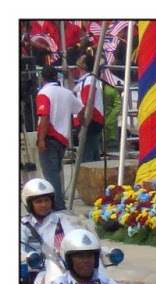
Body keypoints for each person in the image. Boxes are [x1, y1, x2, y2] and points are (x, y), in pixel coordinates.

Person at [34, 66, 81, 210]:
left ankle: (57, 205)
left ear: (42, 78)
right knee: (56, 172)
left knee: (51, 175)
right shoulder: (67, 93)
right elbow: (80, 109)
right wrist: (83, 123)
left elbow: (45, 117)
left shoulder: (44, 93)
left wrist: (41, 139)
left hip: (49, 137)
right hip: (63, 139)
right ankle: (58, 203)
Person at [71, 54, 104, 163]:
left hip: (89, 121)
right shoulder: (85, 80)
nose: (77, 60)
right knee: (93, 156)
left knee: (87, 159)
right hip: (89, 121)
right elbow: (73, 90)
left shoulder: (89, 81)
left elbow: (88, 105)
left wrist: (84, 128)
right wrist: (68, 74)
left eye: (80, 59)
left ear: (84, 65)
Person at [20, 178, 66, 255]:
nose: (44, 205)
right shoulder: (23, 226)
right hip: (35, 262)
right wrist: (28, 257)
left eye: (46, 200)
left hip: (58, 261)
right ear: (30, 205)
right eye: (38, 201)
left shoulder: (60, 220)